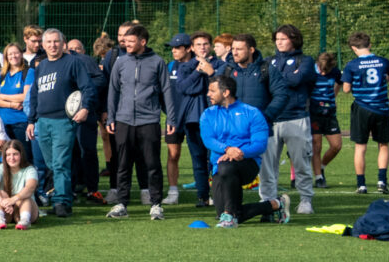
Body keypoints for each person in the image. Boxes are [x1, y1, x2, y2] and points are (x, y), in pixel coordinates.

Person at [203, 72, 286, 227]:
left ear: (226, 92)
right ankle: (275, 204)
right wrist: (227, 149)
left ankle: (229, 216)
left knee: (226, 167)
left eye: (212, 91)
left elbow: (260, 144)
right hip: (219, 167)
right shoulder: (208, 114)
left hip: (247, 164)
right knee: (228, 212)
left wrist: (240, 153)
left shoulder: (252, 113)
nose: (208, 94)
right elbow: (208, 140)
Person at [29, 28, 96, 217]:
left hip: (63, 121)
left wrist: (85, 108)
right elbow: (34, 94)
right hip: (43, 121)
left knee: (60, 163)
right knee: (52, 163)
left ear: (63, 43)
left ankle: (62, 203)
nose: (52, 45)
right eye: (48, 42)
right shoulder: (41, 66)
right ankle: (63, 195)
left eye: (56, 41)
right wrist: (31, 120)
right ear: (43, 45)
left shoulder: (73, 62)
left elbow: (88, 88)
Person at [104, 22, 166, 220]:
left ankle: (156, 204)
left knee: (152, 163)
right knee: (122, 164)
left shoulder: (157, 62)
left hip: (149, 121)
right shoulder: (120, 62)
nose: (126, 43)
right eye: (125, 40)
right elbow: (113, 91)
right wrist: (111, 117)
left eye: (131, 41)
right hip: (123, 121)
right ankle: (122, 204)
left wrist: (171, 118)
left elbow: (167, 91)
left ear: (143, 41)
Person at [263, 24, 317, 215]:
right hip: (271, 119)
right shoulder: (268, 61)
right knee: (268, 165)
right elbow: (266, 81)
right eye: (277, 39)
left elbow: (298, 79)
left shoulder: (306, 60)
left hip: (296, 118)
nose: (279, 42)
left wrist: (277, 78)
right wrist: (287, 77)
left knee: (301, 162)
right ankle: (267, 201)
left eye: (283, 38)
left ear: (294, 39)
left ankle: (305, 200)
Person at [163, 32, 214, 209]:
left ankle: (215, 193)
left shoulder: (218, 64)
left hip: (206, 117)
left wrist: (210, 72)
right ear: (193, 47)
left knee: (213, 157)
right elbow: (181, 89)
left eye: (205, 44)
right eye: (199, 44)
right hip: (179, 118)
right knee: (180, 156)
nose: (174, 51)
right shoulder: (174, 67)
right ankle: (178, 192)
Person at [342, 31, 389, 194]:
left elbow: (345, 89)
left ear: (353, 48)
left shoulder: (351, 65)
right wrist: (386, 78)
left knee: (360, 146)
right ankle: (382, 182)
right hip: (381, 108)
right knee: (383, 144)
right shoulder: (382, 61)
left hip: (362, 108)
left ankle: (362, 184)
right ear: (370, 45)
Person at [0, 139, 39, 230]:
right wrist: (2, 201)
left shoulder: (30, 169)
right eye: (8, 155)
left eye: (15, 154)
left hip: (23, 208)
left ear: (21, 155)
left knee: (25, 196)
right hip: (4, 208)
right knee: (1, 193)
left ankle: (25, 220)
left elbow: (30, 188)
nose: (12, 158)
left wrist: (13, 200)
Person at [311, 50, 342, 189]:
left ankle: (322, 167)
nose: (324, 73)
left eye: (326, 70)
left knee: (336, 146)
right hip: (314, 113)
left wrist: (332, 98)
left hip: (329, 113)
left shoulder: (335, 72)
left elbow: (339, 84)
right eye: (322, 70)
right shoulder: (310, 70)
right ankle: (318, 178)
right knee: (316, 146)